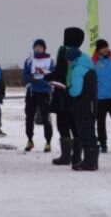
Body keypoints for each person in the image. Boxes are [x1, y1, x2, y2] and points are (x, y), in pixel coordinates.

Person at [49, 27, 85, 167]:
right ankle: (76, 156)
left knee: (63, 124)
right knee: (75, 124)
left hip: (63, 92)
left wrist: (48, 76)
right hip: (76, 93)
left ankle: (66, 156)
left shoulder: (63, 50)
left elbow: (59, 71)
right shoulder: (80, 54)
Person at [66, 46, 99, 171]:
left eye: (68, 60)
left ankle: (89, 163)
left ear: (72, 59)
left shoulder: (78, 70)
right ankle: (92, 162)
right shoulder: (89, 67)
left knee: (85, 134)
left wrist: (68, 89)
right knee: (91, 134)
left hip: (83, 106)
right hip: (91, 105)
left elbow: (76, 91)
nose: (68, 63)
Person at [22, 38, 55, 152]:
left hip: (44, 92)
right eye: (36, 47)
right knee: (29, 117)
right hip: (32, 92)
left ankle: (48, 142)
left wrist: (44, 81)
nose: (38, 48)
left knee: (46, 118)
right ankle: (30, 140)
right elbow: (25, 75)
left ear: (44, 48)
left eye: (40, 47)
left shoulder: (50, 60)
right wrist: (29, 78)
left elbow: (53, 74)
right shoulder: (29, 60)